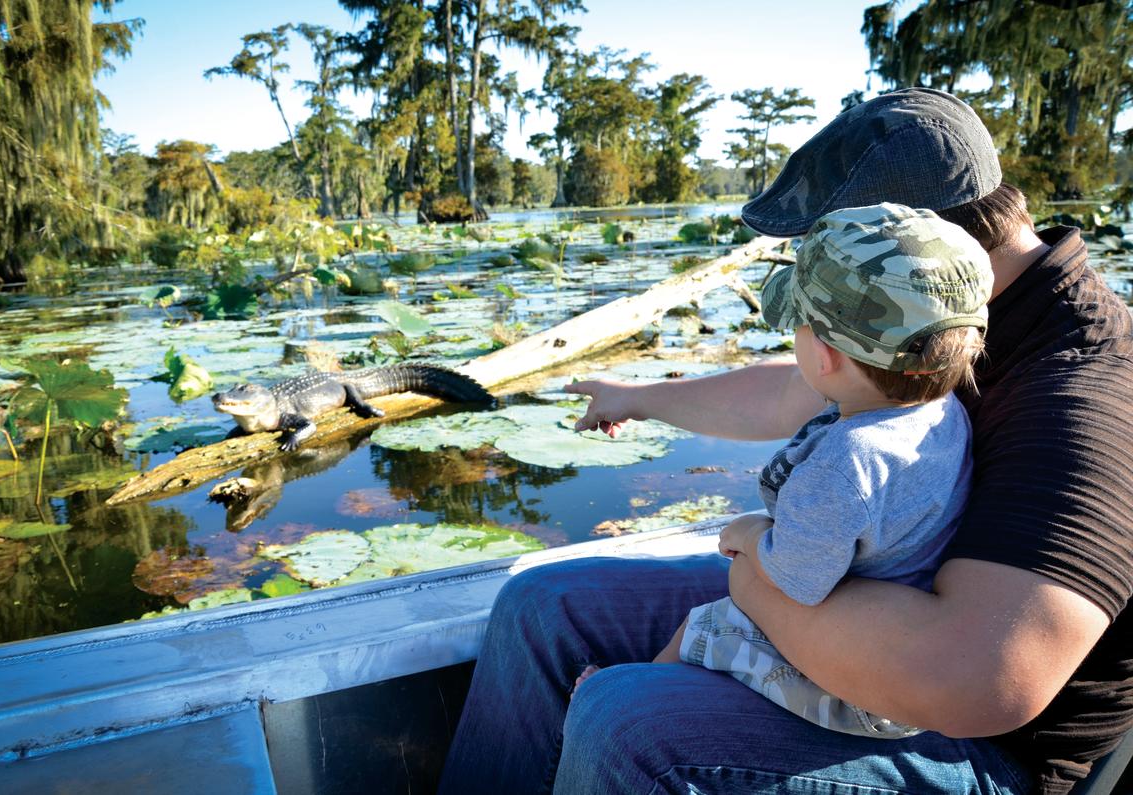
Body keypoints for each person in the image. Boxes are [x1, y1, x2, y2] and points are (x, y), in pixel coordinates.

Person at [438, 88, 1133, 795]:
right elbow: (790, 391)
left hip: (982, 748)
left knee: (629, 724)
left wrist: (754, 577)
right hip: (857, 588)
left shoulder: (1083, 397)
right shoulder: (928, 308)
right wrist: (638, 397)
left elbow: (981, 680)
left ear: (901, 239)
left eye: (820, 263)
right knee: (542, 606)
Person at [570, 202, 993, 742]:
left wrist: (749, 534)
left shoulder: (846, 463)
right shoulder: (936, 407)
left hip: (857, 694)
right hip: (885, 655)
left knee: (706, 626)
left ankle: (626, 692)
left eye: (797, 325)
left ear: (824, 357)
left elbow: (796, 579)